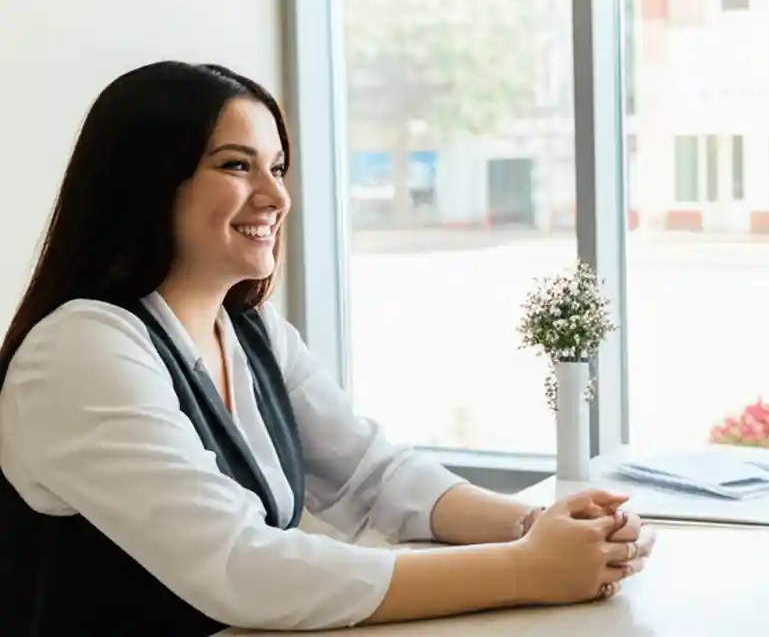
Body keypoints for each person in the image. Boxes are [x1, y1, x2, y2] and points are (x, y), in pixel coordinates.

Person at [0, 61, 656, 635]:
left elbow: (372, 476)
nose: (276, 196)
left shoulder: (250, 331)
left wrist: (541, 528)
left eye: (277, 168)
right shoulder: (81, 349)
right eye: (236, 165)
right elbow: (239, 565)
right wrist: (526, 569)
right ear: (147, 182)